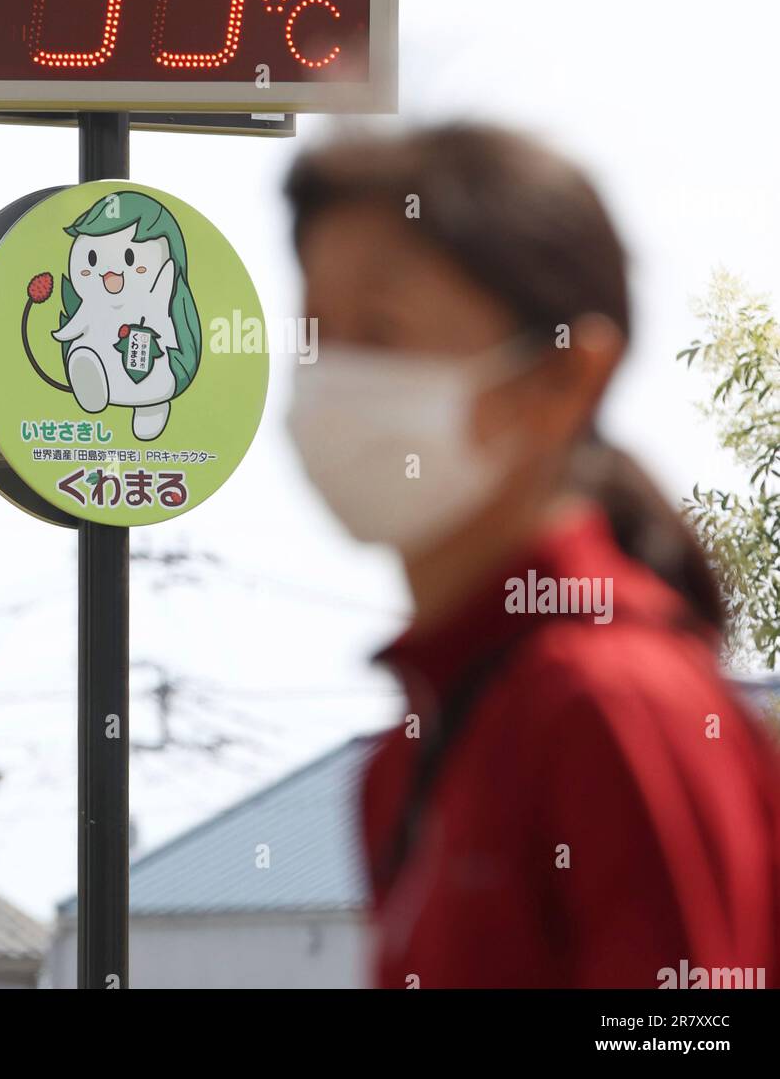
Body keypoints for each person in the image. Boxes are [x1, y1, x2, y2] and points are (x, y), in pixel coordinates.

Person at [285, 122, 780, 989]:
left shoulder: (614, 705)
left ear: (562, 378)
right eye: (315, 334)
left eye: (382, 330)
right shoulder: (409, 751)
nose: (333, 378)